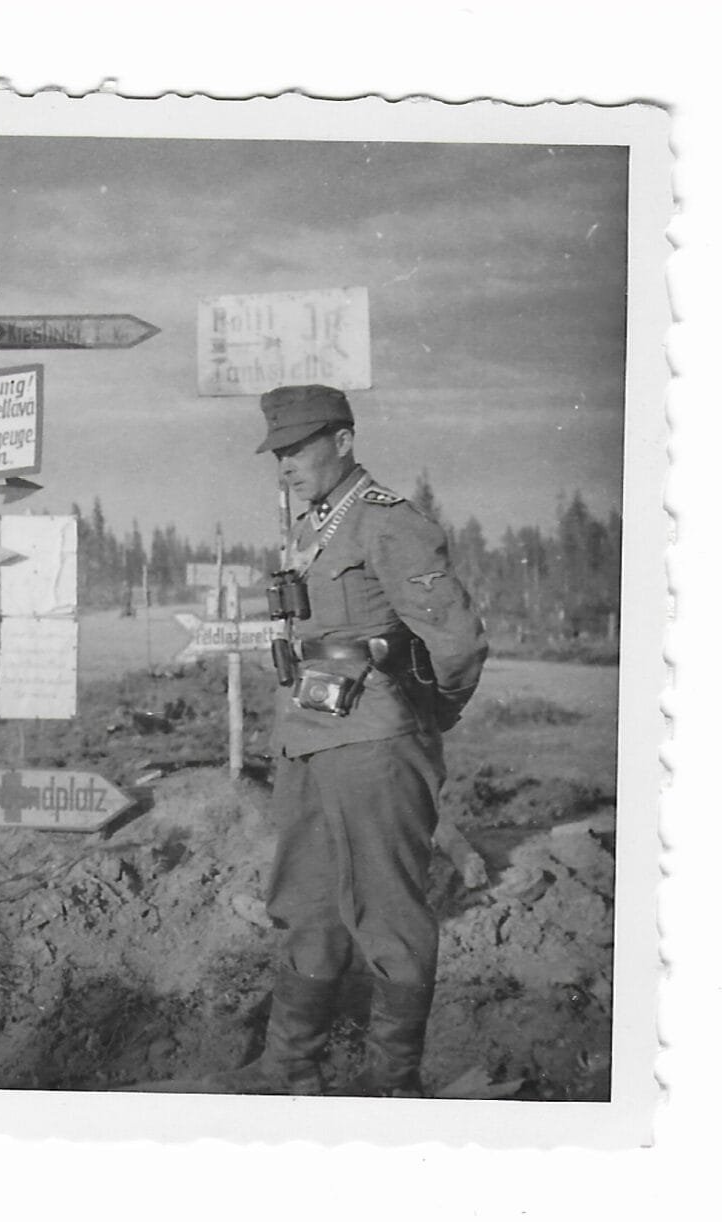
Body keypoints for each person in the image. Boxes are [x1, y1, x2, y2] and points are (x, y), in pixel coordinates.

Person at [200, 384, 487, 1097]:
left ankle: (395, 1088)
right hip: (309, 740)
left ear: (344, 442)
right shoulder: (319, 524)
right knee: (307, 904)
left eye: (300, 448)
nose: (287, 465)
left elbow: (455, 641)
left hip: (375, 743)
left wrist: (429, 715)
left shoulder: (387, 522)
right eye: (280, 452)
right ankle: (292, 1073)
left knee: (387, 911)